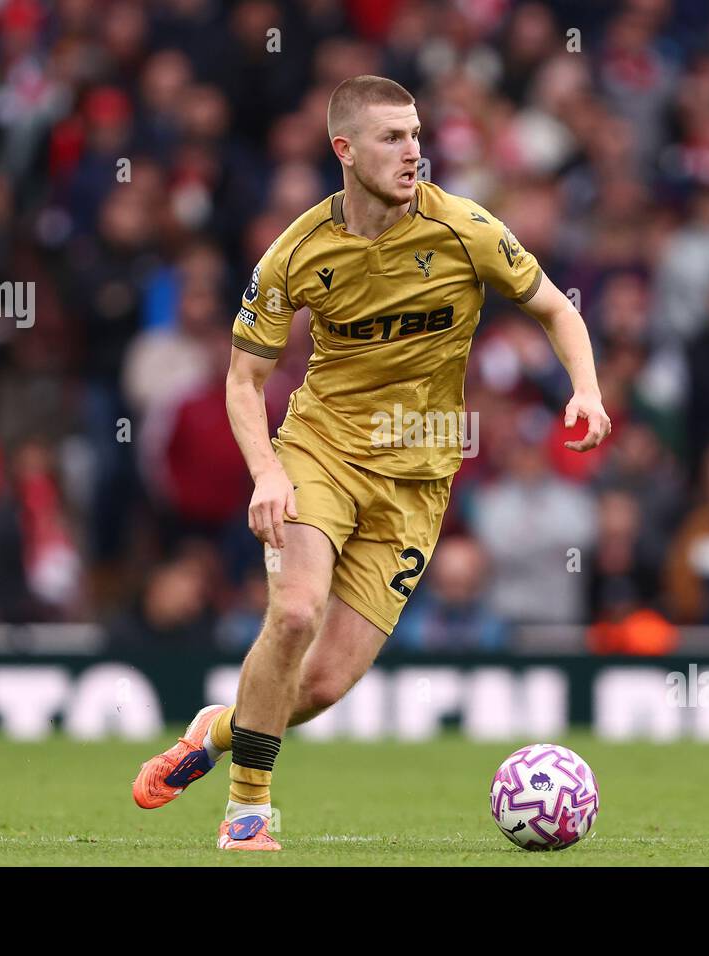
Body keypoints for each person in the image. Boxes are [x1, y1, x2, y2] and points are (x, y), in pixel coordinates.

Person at [131, 75, 610, 850]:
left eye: (417, 134)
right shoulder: (295, 251)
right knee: (293, 612)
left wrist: (585, 388)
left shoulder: (467, 230)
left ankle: (216, 733)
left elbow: (557, 307)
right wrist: (268, 472)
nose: (413, 150)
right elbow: (244, 379)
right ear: (344, 150)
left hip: (416, 481)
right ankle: (248, 809)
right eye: (392, 137)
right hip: (321, 453)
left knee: (318, 686)